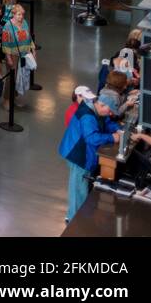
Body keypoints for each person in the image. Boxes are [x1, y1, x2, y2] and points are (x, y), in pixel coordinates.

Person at [58, 91, 122, 223]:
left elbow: (106, 122)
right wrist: (112, 137)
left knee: (81, 187)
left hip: (84, 153)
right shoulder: (87, 116)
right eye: (110, 111)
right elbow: (91, 138)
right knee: (78, 190)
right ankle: (73, 221)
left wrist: (118, 129)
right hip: (78, 154)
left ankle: (76, 216)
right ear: (102, 105)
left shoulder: (96, 108)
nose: (110, 114)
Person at [0, 3, 35, 91]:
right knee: (12, 78)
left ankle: (14, 98)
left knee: (20, 78)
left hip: (24, 54)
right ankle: (7, 99)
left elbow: (29, 37)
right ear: (13, 14)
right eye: (19, 14)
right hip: (13, 55)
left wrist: (32, 50)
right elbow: (5, 43)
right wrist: (9, 58)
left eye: (22, 14)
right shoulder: (8, 26)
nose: (21, 16)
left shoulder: (24, 22)